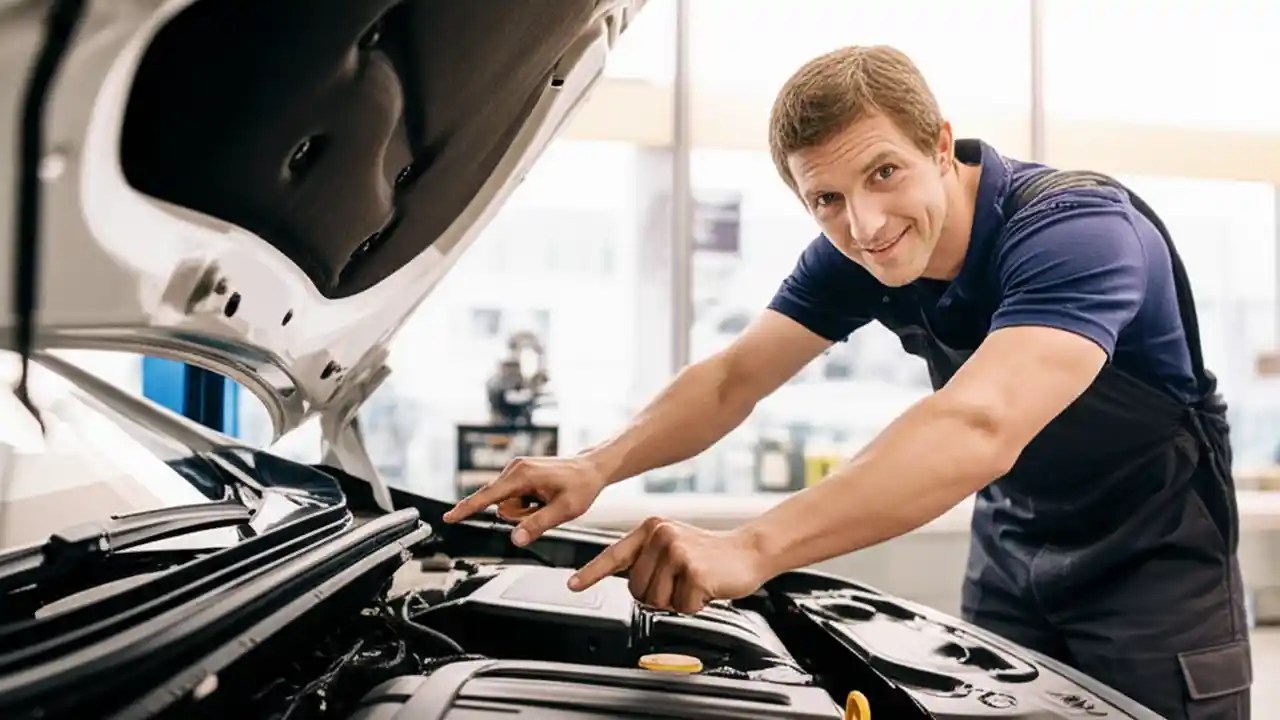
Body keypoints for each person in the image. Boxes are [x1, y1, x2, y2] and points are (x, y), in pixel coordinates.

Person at [444, 45, 1251, 718]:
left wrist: (753, 546)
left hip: (1154, 565)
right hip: (1012, 554)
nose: (864, 224)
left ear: (941, 145)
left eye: (885, 173)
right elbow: (734, 377)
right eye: (825, 198)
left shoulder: (1078, 230)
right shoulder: (860, 250)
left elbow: (978, 425)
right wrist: (596, 465)